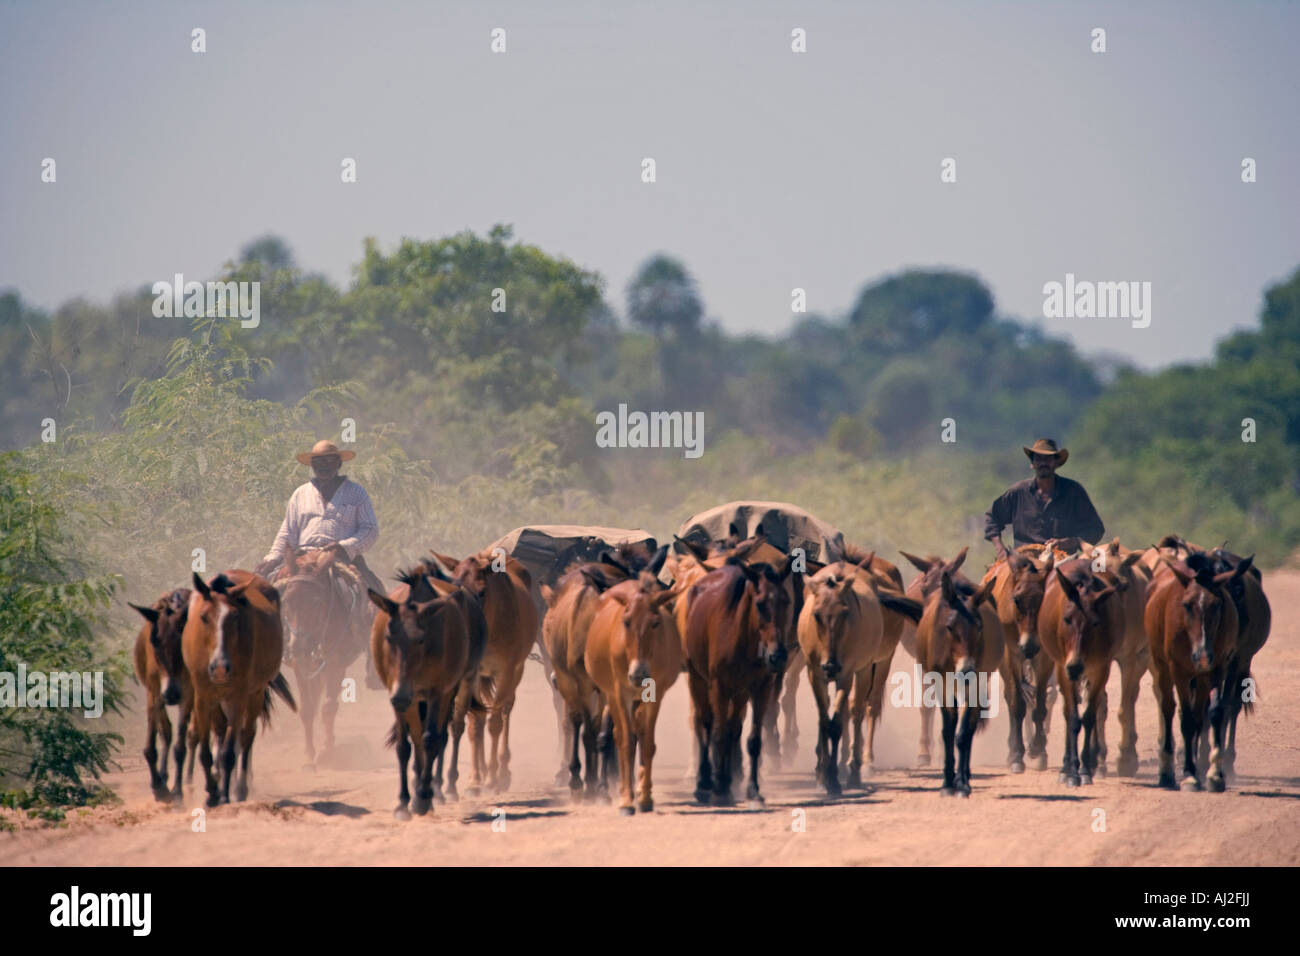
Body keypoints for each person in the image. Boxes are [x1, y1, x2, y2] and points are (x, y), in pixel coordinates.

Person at [254, 439, 385, 597]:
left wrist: (343, 547)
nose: (323, 466)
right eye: (318, 462)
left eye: (329, 461)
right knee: (264, 592)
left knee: (374, 593)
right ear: (312, 465)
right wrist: (272, 559)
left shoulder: (356, 493)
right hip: (302, 557)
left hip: (341, 558)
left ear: (338, 463)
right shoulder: (300, 494)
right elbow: (287, 533)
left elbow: (370, 529)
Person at [983, 438, 1105, 559]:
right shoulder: (1018, 492)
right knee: (995, 577)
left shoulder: (1073, 491)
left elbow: (1095, 529)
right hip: (1025, 562)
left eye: (1047, 458)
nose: (1043, 463)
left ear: (1056, 462)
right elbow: (992, 517)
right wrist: (1000, 550)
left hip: (1064, 560)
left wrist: (1071, 541)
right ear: (1032, 463)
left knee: (1100, 568)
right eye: (1038, 458)